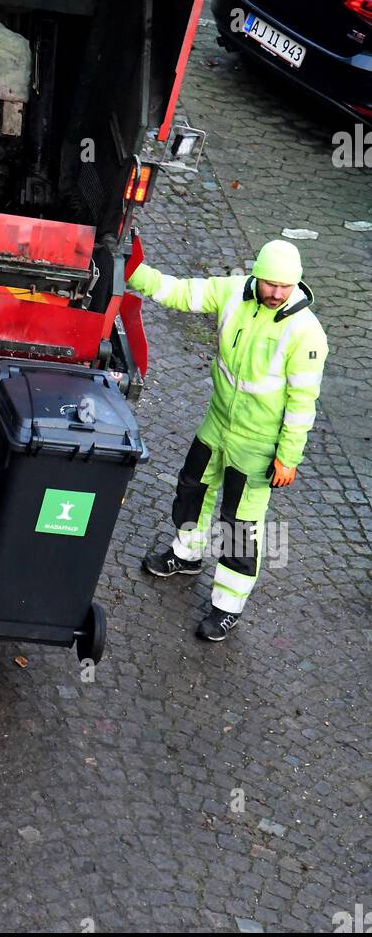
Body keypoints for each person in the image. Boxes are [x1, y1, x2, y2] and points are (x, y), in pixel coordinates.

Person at [127, 239, 328, 641]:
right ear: (256, 276)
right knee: (192, 490)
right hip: (217, 424)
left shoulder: (307, 335)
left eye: (285, 286)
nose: (276, 293)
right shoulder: (232, 292)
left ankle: (227, 607)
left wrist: (288, 457)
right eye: (270, 283)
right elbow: (181, 292)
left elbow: (302, 404)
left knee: (239, 526)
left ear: (297, 283)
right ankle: (186, 554)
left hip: (257, 446)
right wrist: (132, 272)